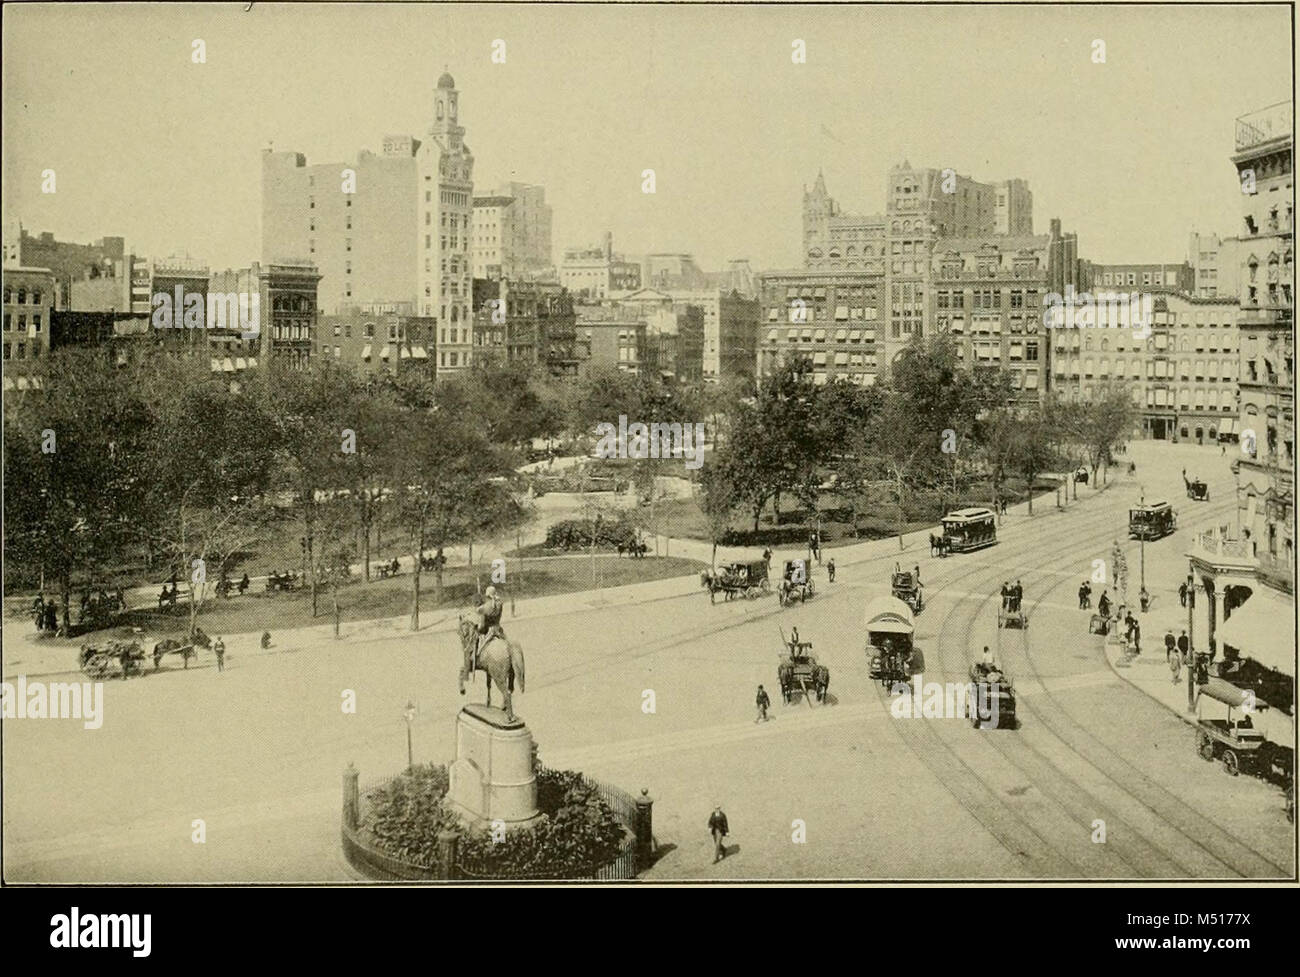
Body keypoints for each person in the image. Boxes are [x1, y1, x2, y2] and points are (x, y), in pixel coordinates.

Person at [474, 585, 506, 668]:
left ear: (487, 595)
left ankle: (475, 660)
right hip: (499, 629)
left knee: (477, 645)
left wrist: (478, 629)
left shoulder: (484, 607)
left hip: (489, 631)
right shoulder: (499, 604)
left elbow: (481, 625)